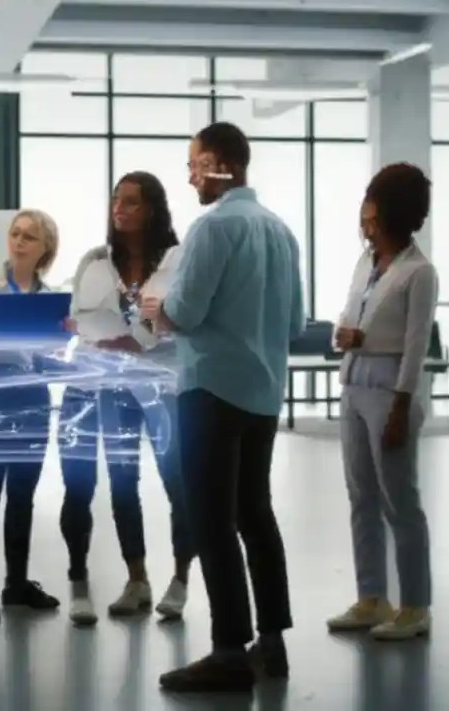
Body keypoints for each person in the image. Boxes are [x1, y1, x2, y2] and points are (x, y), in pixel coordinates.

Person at [141, 122, 304, 693]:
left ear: (215, 163)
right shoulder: (281, 232)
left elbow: (182, 313)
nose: (189, 177)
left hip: (210, 390)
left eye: (193, 165)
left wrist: (154, 304)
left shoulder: (211, 229)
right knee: (254, 515)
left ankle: (229, 649)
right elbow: (296, 324)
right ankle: (273, 643)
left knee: (212, 521)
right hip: (262, 394)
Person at [60, 171, 193, 627]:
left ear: (152, 210)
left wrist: (138, 339)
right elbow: (78, 313)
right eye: (117, 200)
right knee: (122, 481)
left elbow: (181, 315)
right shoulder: (96, 261)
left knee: (177, 481)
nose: (120, 208)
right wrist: (80, 330)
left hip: (163, 383)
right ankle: (137, 579)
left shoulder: (177, 259)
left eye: (131, 202)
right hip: (112, 382)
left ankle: (180, 578)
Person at [328, 163, 437, 642]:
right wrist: (343, 334)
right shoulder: (366, 264)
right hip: (353, 380)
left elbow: (416, 348)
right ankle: (372, 596)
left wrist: (399, 407)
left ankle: (415, 606)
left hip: (391, 385)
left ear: (395, 212)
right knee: (360, 495)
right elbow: (350, 316)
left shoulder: (420, 271)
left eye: (372, 213)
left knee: (401, 501)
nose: (366, 222)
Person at [0, 209, 64, 623]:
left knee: (22, 497)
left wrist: (64, 334)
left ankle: (16, 584)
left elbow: (49, 355)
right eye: (15, 234)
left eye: (29, 237)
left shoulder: (50, 297)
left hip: (32, 401)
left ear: (45, 250)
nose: (18, 242)